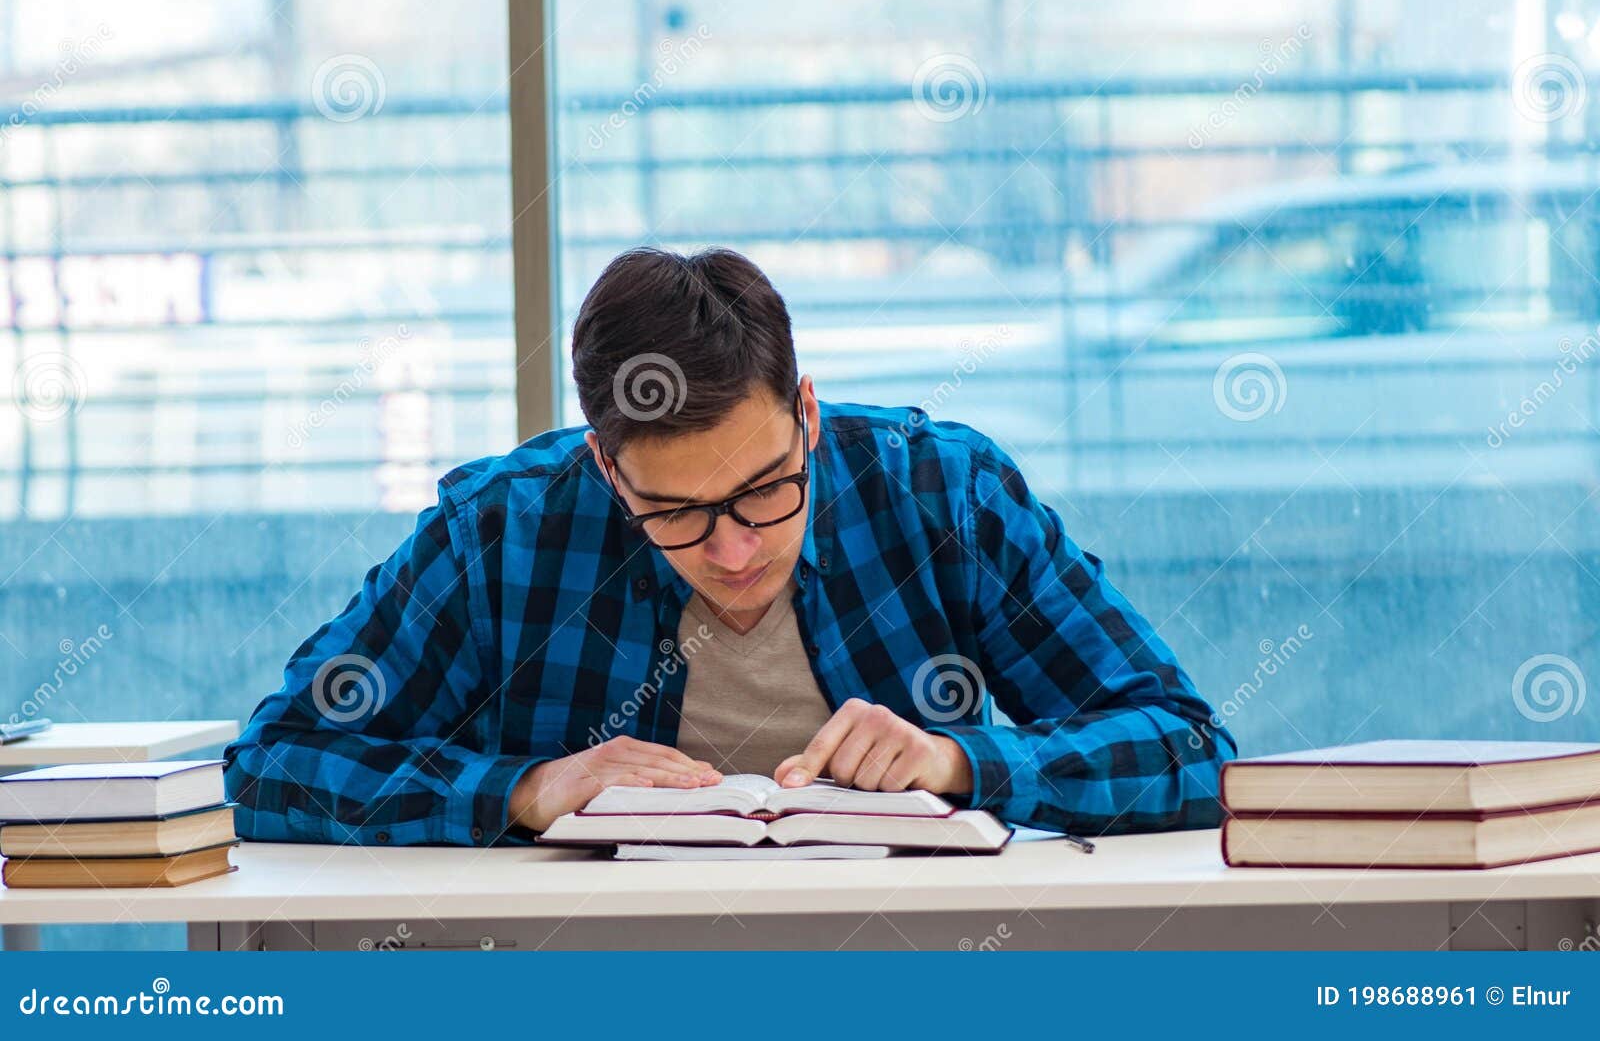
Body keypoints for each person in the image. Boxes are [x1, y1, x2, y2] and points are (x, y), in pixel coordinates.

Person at [226, 246, 1233, 843]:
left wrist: (955, 761)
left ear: (806, 411)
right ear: (608, 469)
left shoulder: (943, 493)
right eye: (675, 512)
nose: (736, 551)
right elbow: (272, 767)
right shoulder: (501, 529)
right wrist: (526, 790)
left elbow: (1189, 749)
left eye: (765, 491)